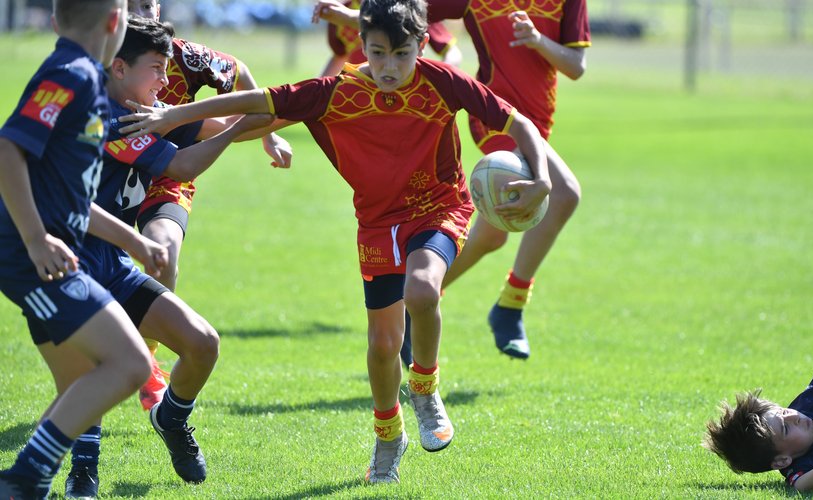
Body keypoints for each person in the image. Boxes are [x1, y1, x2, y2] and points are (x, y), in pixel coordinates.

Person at [119, 0, 551, 483]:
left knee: (423, 289)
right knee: (382, 345)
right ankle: (388, 436)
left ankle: (425, 387)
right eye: (378, 53)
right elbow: (255, 101)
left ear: (422, 45)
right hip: (377, 223)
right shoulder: (335, 91)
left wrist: (542, 179)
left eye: (402, 55)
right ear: (362, 45)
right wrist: (176, 115)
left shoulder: (443, 81)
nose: (389, 67)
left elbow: (519, 123)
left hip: (438, 208)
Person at [47, 17, 272, 498]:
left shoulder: (145, 110)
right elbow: (184, 163)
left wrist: (290, 109)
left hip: (113, 266)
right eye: (156, 68)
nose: (166, 80)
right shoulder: (108, 117)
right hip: (73, 268)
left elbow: (223, 117)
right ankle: (83, 471)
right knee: (100, 366)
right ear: (120, 67)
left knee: (203, 344)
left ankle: (171, 416)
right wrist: (240, 126)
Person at [314, 0, 591, 360]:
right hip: (494, 113)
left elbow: (575, 66)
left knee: (492, 235)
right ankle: (511, 304)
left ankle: (418, 298)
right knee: (565, 192)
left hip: (538, 121)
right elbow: (406, 19)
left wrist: (538, 40)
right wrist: (351, 17)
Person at [0, 1, 164, 497]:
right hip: (33, 257)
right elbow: (7, 149)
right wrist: (35, 239)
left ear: (55, 21)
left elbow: (69, 194)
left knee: (79, 387)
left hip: (46, 253)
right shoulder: (70, 74)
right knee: (130, 364)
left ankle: (27, 483)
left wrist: (133, 239)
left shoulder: (87, 79)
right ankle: (23, 480)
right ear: (116, 22)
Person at [127, 0, 293, 410]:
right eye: (129, 4)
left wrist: (268, 133)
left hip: (166, 172)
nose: (139, 12)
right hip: (108, 175)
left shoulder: (186, 56)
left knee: (163, 253)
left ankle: (145, 357)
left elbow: (240, 74)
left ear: (159, 8)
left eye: (146, 4)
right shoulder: (98, 55)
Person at [705, 293, 813, 492]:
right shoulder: (804, 467)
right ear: (782, 460)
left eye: (783, 412)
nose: (794, 416)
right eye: (786, 428)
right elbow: (802, 487)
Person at [315, 0, 462, 77]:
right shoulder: (337, 15)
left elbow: (452, 53)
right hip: (363, 99)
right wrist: (317, 97)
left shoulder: (407, 9)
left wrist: (440, 82)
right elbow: (340, 57)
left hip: (403, 98)